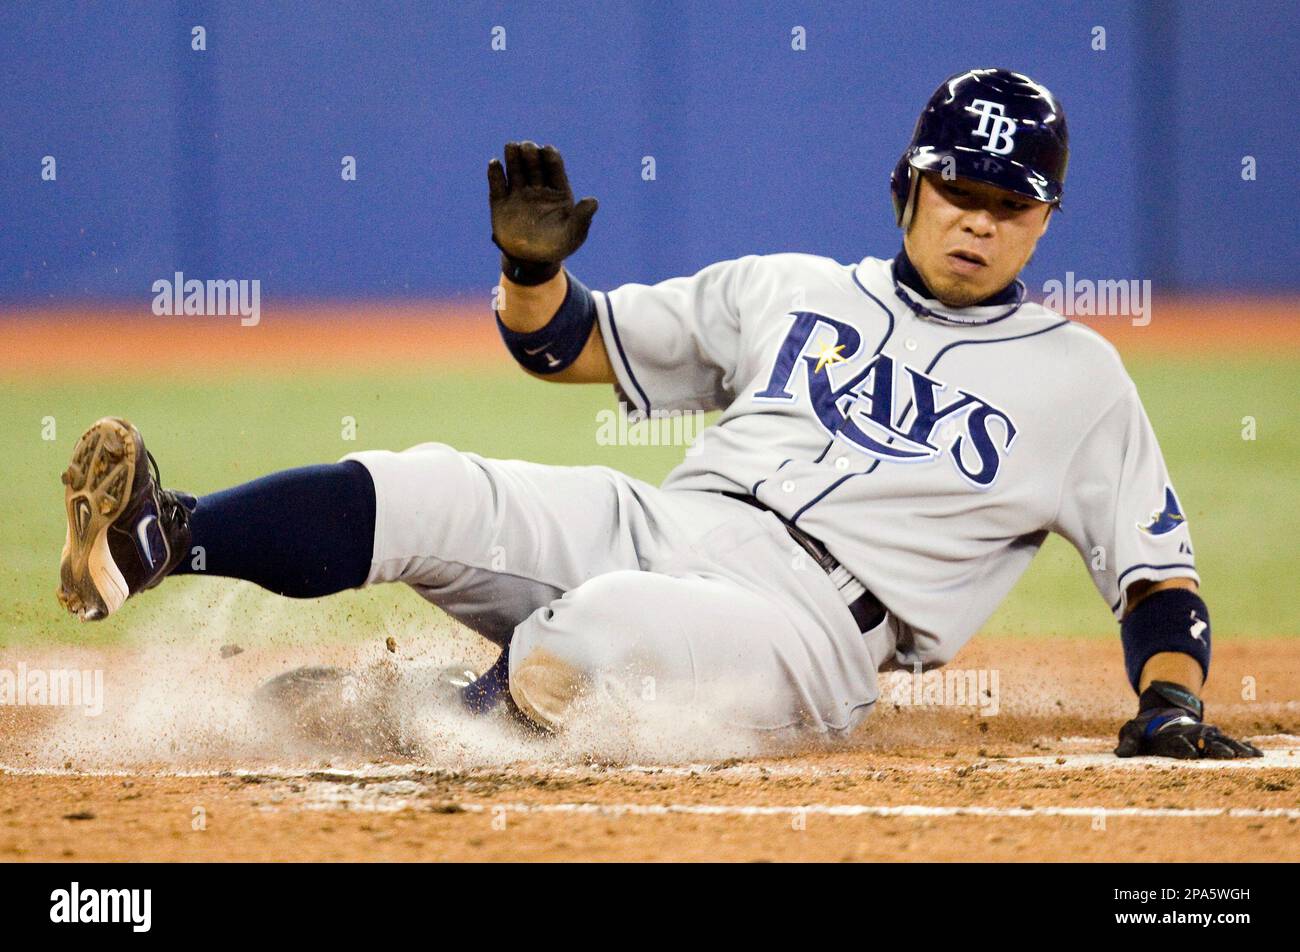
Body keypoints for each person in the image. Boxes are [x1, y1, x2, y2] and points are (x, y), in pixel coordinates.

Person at [57, 68, 1260, 758]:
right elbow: (563, 348)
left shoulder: (1082, 377)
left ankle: (407, 727)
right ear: (908, 183)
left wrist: (1169, 700)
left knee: (603, 626)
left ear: (1046, 221)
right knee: (430, 484)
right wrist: (532, 276)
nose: (981, 218)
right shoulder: (787, 288)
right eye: (960, 186)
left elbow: (1156, 577)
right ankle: (160, 536)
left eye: (1013, 199)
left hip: (810, 631)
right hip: (669, 521)